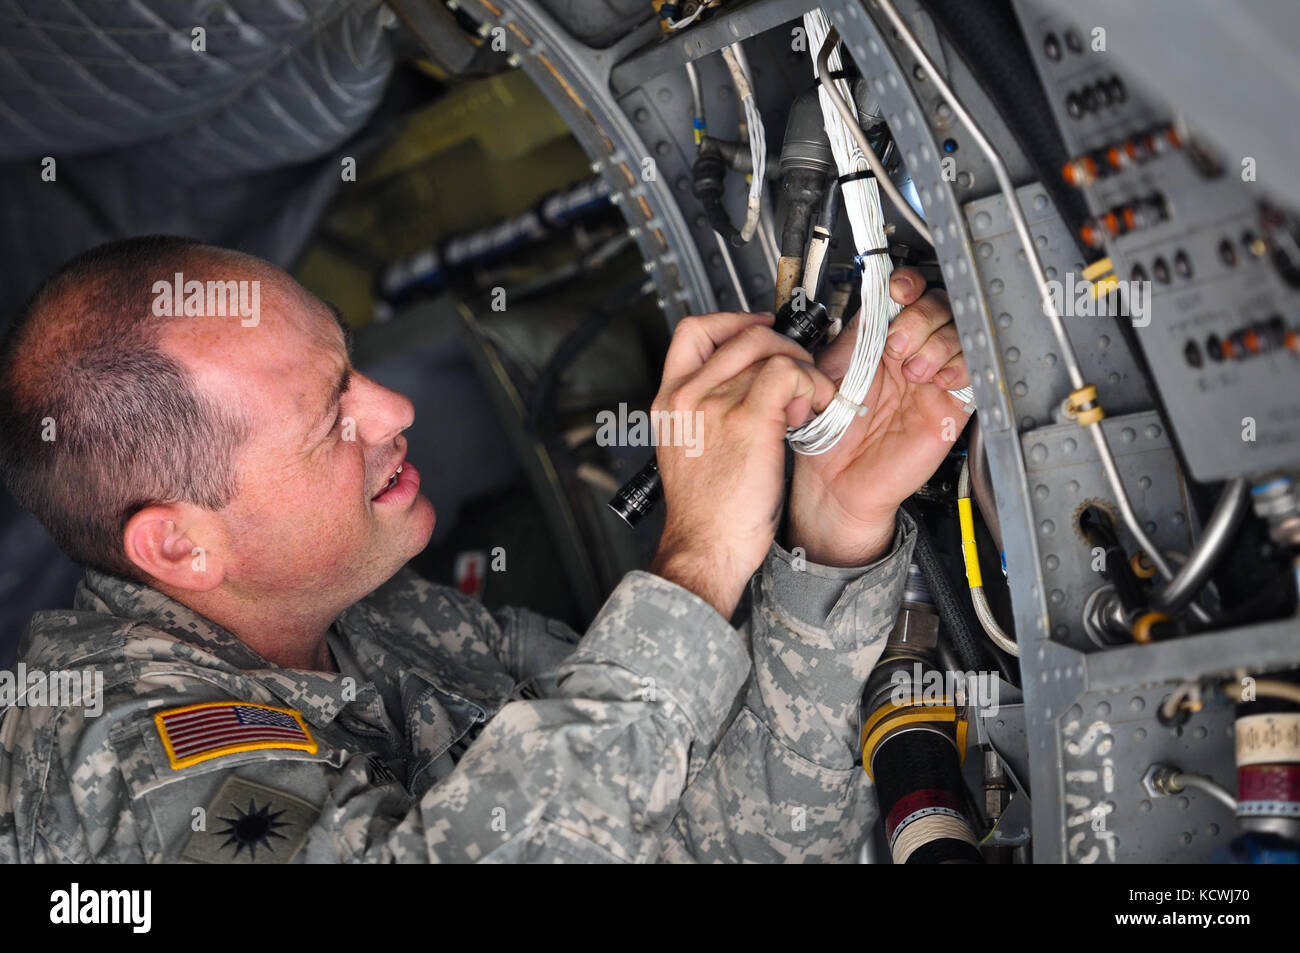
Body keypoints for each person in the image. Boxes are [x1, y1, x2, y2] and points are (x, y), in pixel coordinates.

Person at [0, 235, 969, 862]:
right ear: (179, 543)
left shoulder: (386, 623)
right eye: (328, 416)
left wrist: (832, 530)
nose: (394, 410)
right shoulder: (119, 771)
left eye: (355, 368)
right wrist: (698, 556)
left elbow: (734, 836)